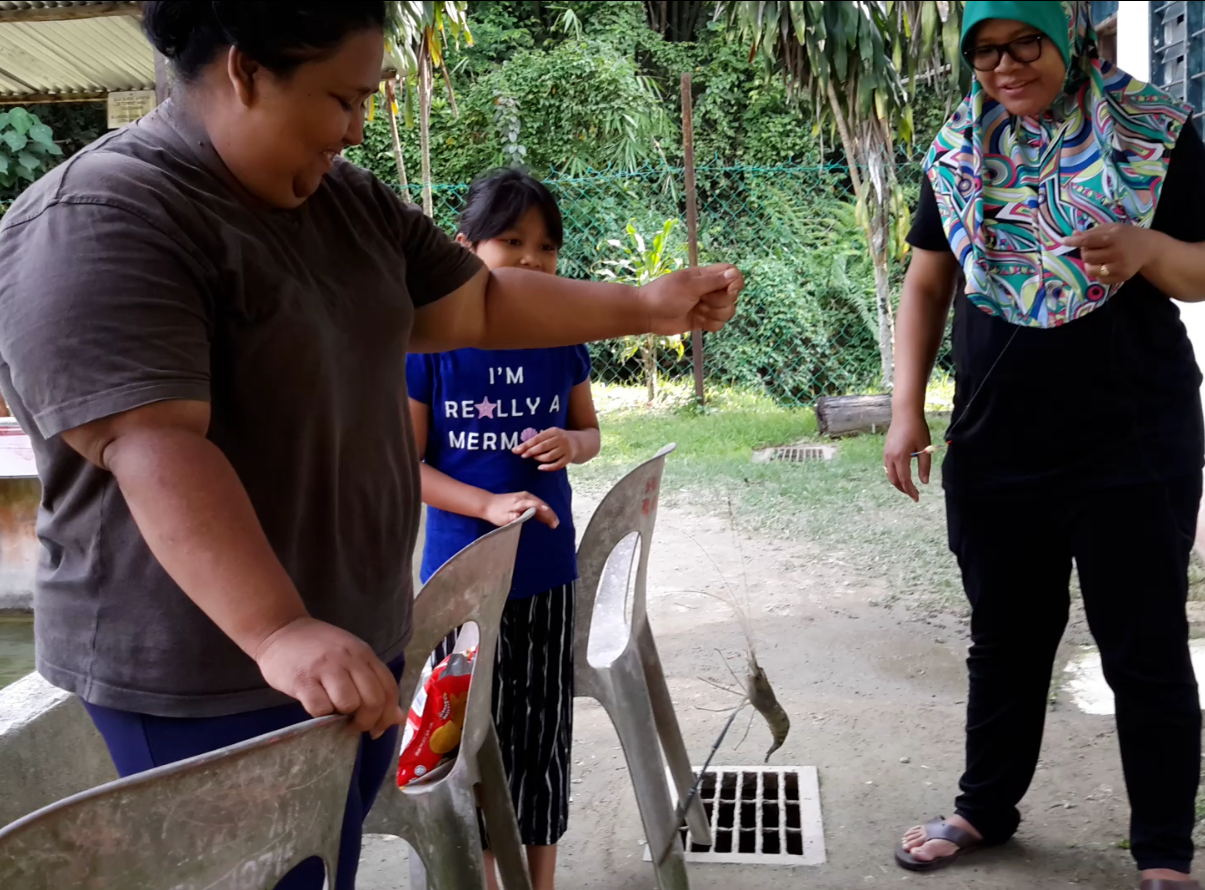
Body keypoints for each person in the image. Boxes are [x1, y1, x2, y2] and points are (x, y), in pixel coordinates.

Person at [0, 3, 743, 888]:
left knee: (324, 867)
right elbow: (152, 442)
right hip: (208, 673)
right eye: (341, 99)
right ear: (245, 71)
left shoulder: (343, 201)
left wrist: (644, 305)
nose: (355, 129)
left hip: (348, 647)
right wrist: (278, 629)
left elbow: (476, 303)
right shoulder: (101, 218)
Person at [884, 1, 1205, 886]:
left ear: (1065, 36)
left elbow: (1199, 268)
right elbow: (926, 282)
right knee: (1005, 638)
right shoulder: (959, 150)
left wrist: (1144, 247)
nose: (1003, 65)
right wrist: (907, 409)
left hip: (1134, 437)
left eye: (1022, 41)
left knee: (1143, 644)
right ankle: (983, 809)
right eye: (983, 51)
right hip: (997, 436)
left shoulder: (1152, 131)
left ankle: (1163, 852)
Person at [407, 168, 597, 890]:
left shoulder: (562, 336)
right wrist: (486, 506)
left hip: (544, 572)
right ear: (465, 249)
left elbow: (590, 432)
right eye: (511, 241)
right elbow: (404, 467)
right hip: (456, 585)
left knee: (540, 740)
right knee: (461, 743)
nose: (531, 259)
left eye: (546, 246)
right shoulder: (429, 345)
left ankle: (537, 882)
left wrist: (571, 443)